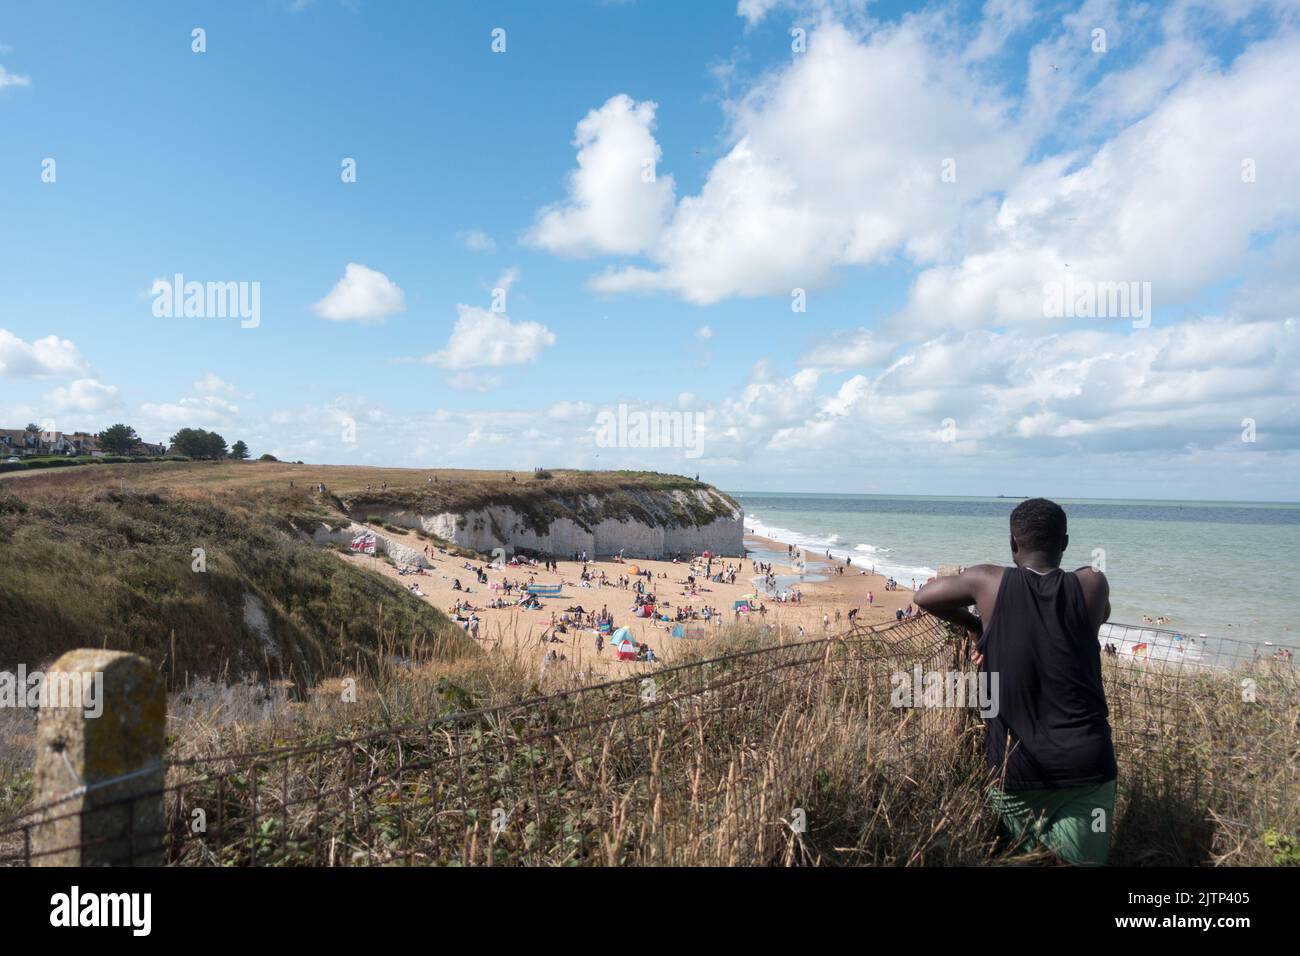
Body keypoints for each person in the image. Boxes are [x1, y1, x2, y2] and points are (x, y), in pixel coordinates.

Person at [914, 498, 1117, 867]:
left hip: (1016, 768)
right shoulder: (1092, 585)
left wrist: (980, 628)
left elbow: (924, 596)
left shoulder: (987, 581)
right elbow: (1100, 612)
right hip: (1086, 765)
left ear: (1012, 544)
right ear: (1065, 543)